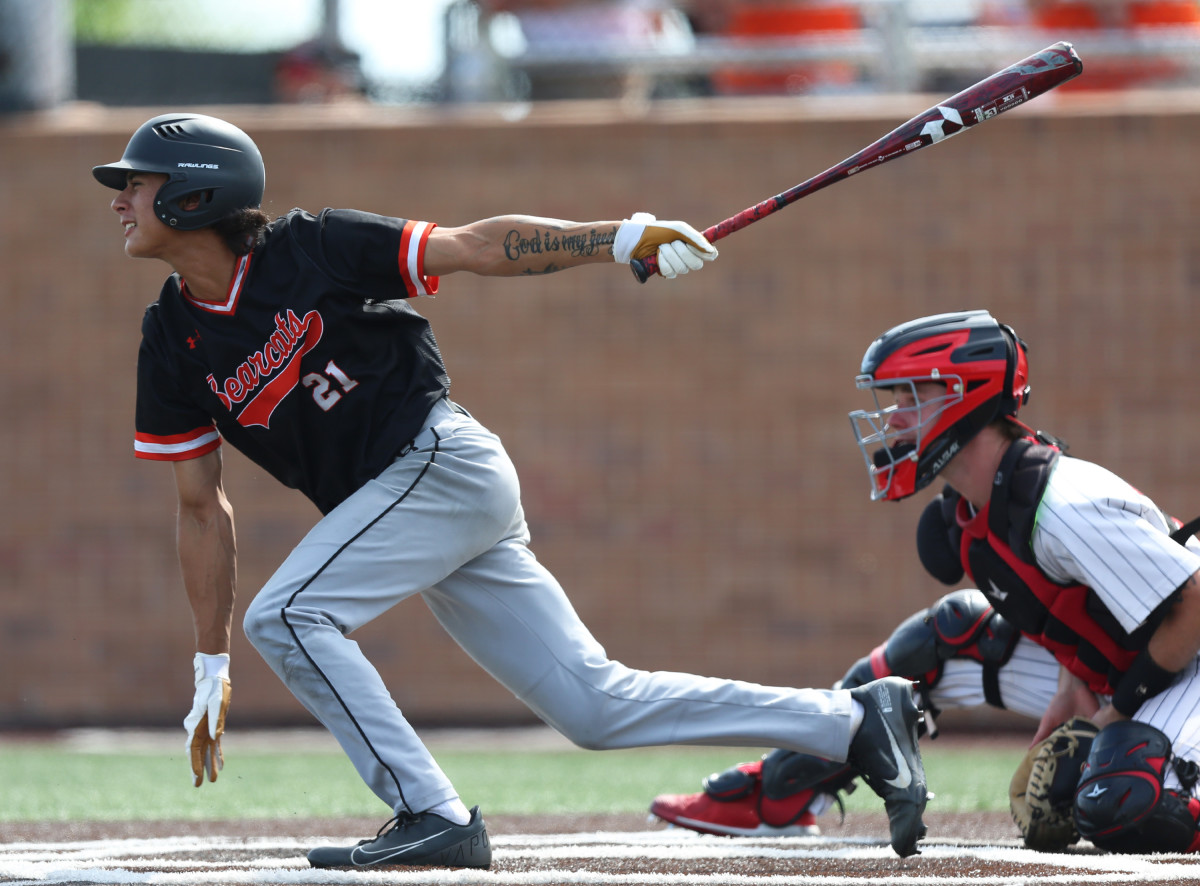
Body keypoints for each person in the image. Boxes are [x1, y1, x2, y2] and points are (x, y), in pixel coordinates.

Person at [92, 111, 930, 870]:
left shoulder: (310, 248)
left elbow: (475, 245)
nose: (121, 199)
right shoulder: (171, 339)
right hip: (411, 504)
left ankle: (431, 814)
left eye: (137, 182)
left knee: (291, 615)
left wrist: (619, 235)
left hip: (438, 462)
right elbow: (201, 506)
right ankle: (853, 720)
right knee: (595, 707)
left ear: (198, 191)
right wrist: (209, 662)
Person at [653, 310, 1200, 854]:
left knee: (1120, 803)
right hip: (1131, 661)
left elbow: (1193, 605)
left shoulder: (1066, 503)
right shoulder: (971, 510)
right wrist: (1070, 681)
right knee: (945, 638)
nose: (893, 419)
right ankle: (774, 792)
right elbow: (1076, 603)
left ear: (969, 396)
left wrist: (1114, 715)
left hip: (1186, 661)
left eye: (911, 398)